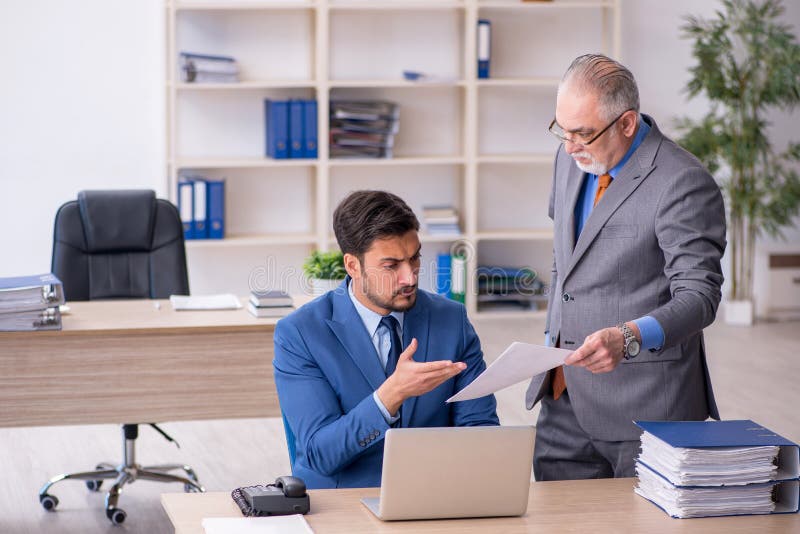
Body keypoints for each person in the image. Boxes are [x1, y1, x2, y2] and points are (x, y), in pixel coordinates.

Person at [526, 54, 726, 480]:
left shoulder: (682, 181)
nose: (569, 146)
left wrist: (629, 337)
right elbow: (566, 259)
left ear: (627, 123)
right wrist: (550, 341)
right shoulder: (569, 158)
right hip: (563, 395)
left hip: (645, 407)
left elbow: (700, 296)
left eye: (582, 133)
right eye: (562, 129)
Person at [274, 190, 499, 489]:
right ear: (353, 266)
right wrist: (390, 395)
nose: (410, 277)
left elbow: (480, 430)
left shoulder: (451, 320)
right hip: (345, 501)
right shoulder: (300, 333)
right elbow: (320, 454)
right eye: (391, 265)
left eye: (414, 258)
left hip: (434, 493)